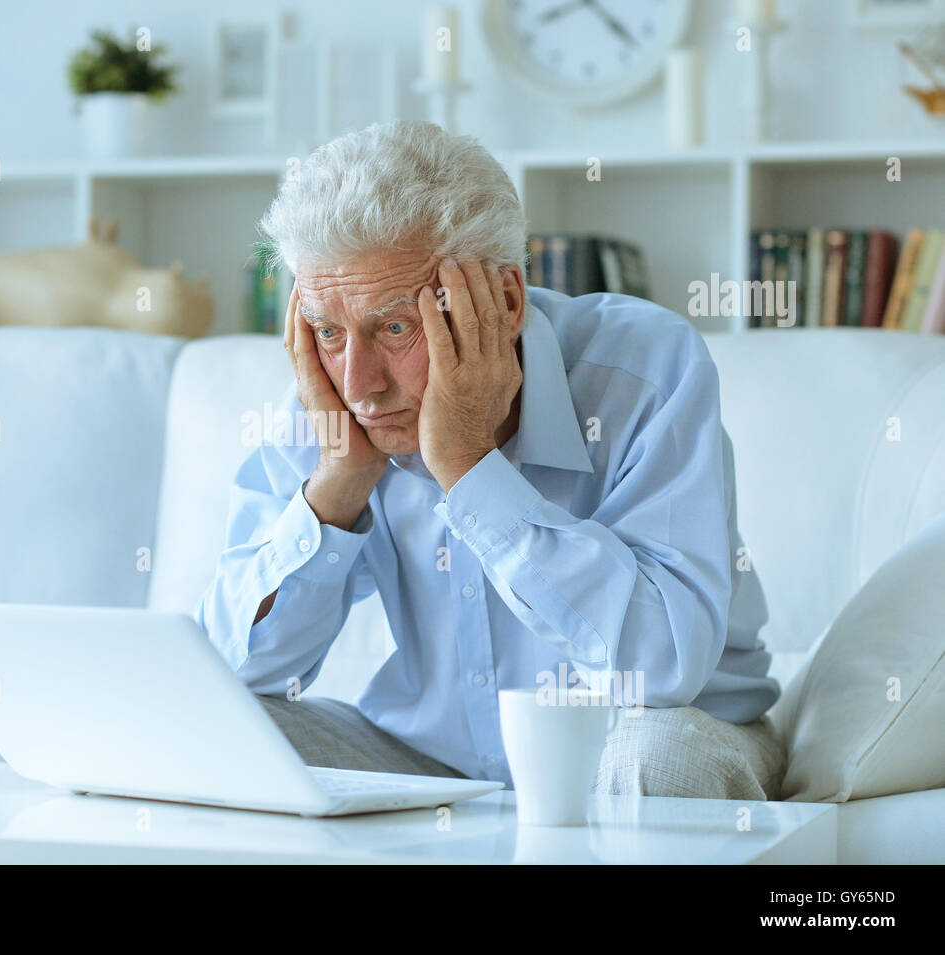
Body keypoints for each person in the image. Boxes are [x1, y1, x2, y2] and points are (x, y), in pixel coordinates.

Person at [195, 120, 784, 800]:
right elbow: (231, 674)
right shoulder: (332, 405)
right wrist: (340, 481)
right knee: (228, 736)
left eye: (393, 326)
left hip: (657, 732)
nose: (359, 383)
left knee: (657, 761)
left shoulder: (644, 370)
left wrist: (472, 468)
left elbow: (662, 667)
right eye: (328, 331)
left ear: (504, 301)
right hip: (429, 760)